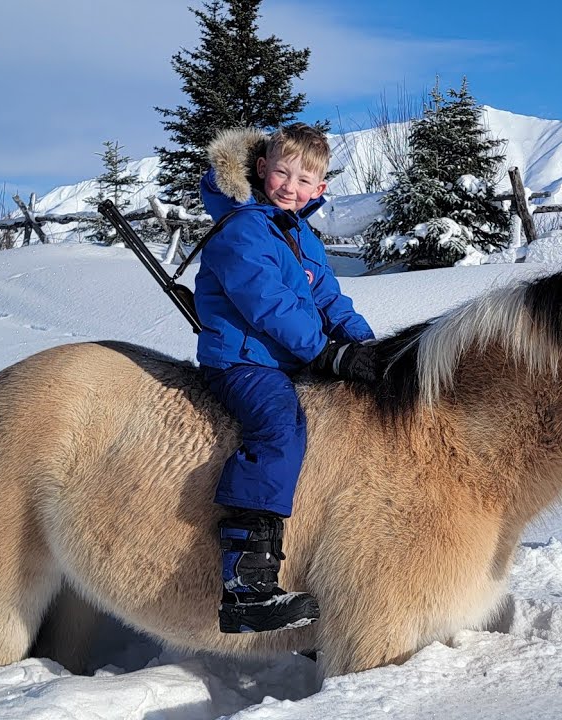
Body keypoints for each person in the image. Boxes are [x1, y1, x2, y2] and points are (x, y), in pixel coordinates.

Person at [194, 123, 377, 634]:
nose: (289, 186)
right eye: (281, 172)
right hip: (244, 362)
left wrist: (368, 348)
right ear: (260, 170)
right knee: (279, 428)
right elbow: (268, 305)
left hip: (287, 358)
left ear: (320, 190)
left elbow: (329, 301)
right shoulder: (241, 229)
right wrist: (325, 353)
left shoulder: (300, 234)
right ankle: (247, 583)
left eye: (304, 180)